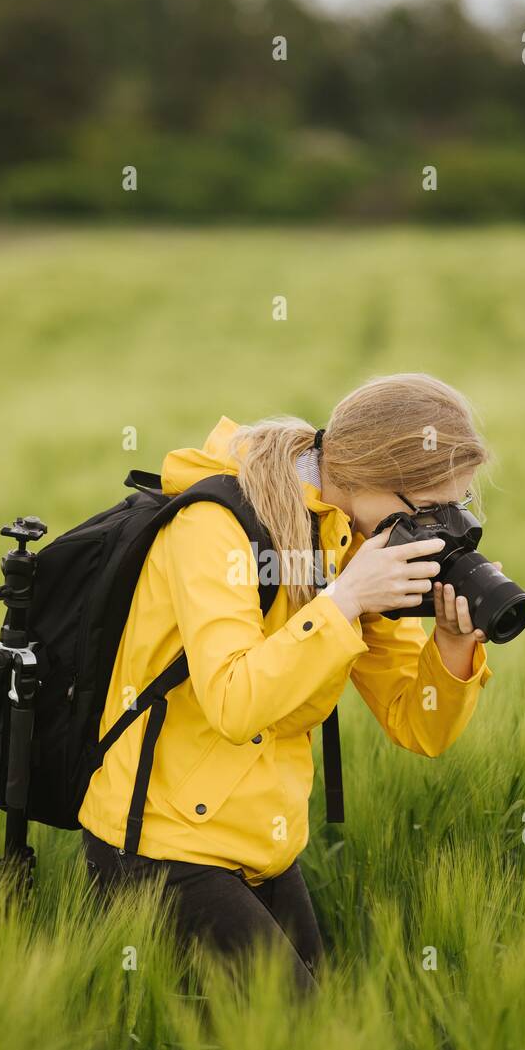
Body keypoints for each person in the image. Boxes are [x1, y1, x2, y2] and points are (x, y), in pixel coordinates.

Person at [79, 373, 496, 992]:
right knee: (296, 1044)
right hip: (161, 842)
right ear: (365, 472)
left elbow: (419, 726)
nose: (444, 529)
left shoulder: (353, 538)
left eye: (458, 508)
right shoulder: (215, 524)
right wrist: (345, 600)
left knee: (309, 1049)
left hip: (263, 844)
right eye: (430, 510)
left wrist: (454, 645)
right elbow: (233, 702)